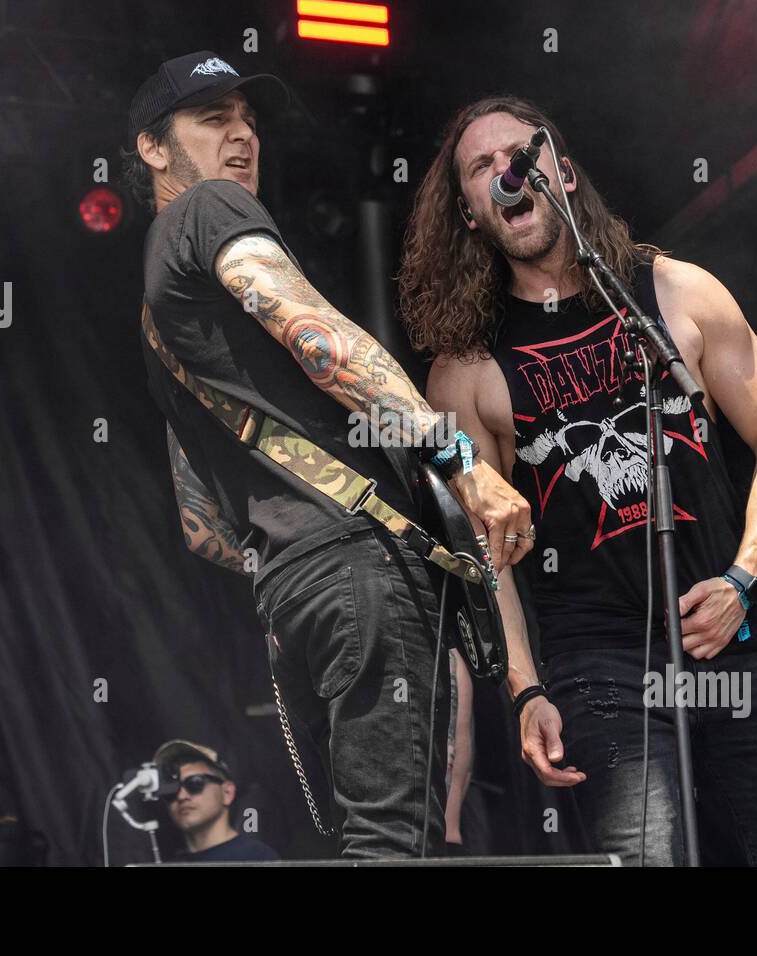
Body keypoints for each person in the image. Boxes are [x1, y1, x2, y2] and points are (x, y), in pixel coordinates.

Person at [399, 95, 757, 866]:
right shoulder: (464, 373)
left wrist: (745, 576)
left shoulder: (676, 292)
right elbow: (483, 553)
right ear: (470, 213)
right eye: (482, 167)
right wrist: (526, 690)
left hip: (736, 635)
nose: (508, 172)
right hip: (599, 665)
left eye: (523, 157)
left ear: (561, 175)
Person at [123, 53, 532, 858]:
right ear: (152, 149)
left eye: (248, 120)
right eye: (213, 121)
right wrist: (463, 464)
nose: (242, 136)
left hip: (297, 598)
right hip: (357, 568)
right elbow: (321, 339)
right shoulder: (206, 210)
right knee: (394, 842)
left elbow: (202, 526)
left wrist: (291, 568)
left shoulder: (155, 320)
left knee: (373, 835)